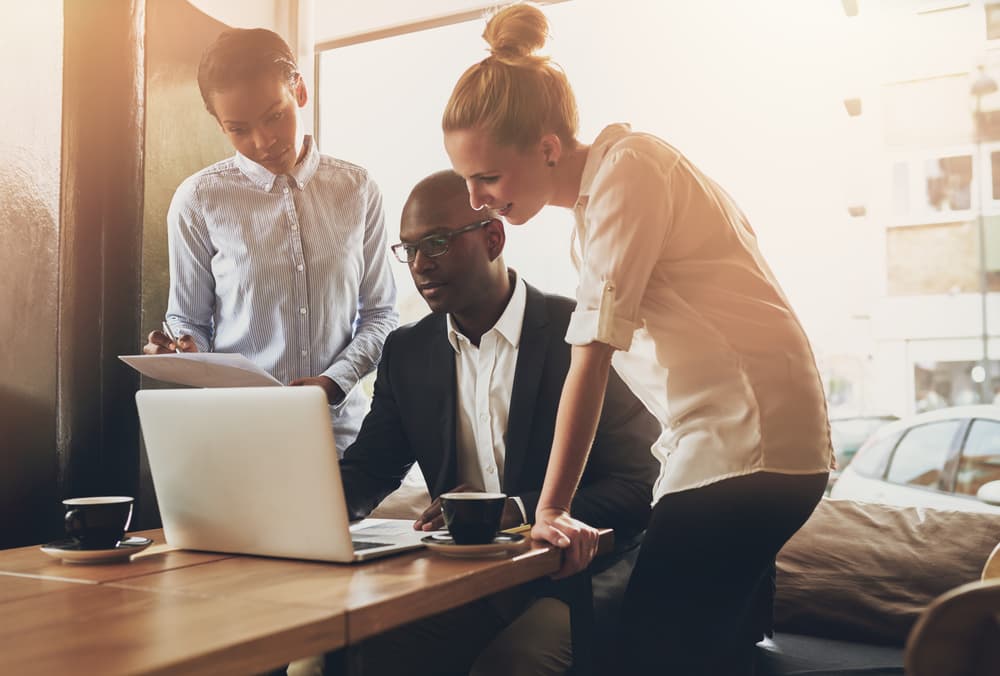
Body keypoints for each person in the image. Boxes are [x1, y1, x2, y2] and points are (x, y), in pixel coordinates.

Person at [440, 4, 834, 674]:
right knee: (700, 650)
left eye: (488, 177)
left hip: (747, 448)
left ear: (547, 146)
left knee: (645, 649)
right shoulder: (604, 199)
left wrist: (553, 509)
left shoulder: (629, 174)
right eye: (468, 180)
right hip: (739, 448)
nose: (476, 198)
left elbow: (591, 357)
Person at [325, 169, 659, 676]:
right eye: (408, 249)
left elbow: (640, 483)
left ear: (493, 237)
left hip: (579, 579)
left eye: (435, 243)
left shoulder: (579, 337)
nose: (419, 265)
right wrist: (296, 514)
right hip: (466, 584)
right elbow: (370, 471)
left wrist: (518, 509)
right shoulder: (408, 352)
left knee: (512, 664)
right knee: (356, 650)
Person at [142, 28, 397, 449]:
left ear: (299, 90)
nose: (263, 142)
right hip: (239, 438)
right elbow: (188, 320)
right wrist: (182, 350)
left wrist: (334, 383)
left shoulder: (358, 189)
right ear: (219, 125)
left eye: (274, 115)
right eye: (238, 129)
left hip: (341, 438)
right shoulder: (198, 199)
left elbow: (382, 315)